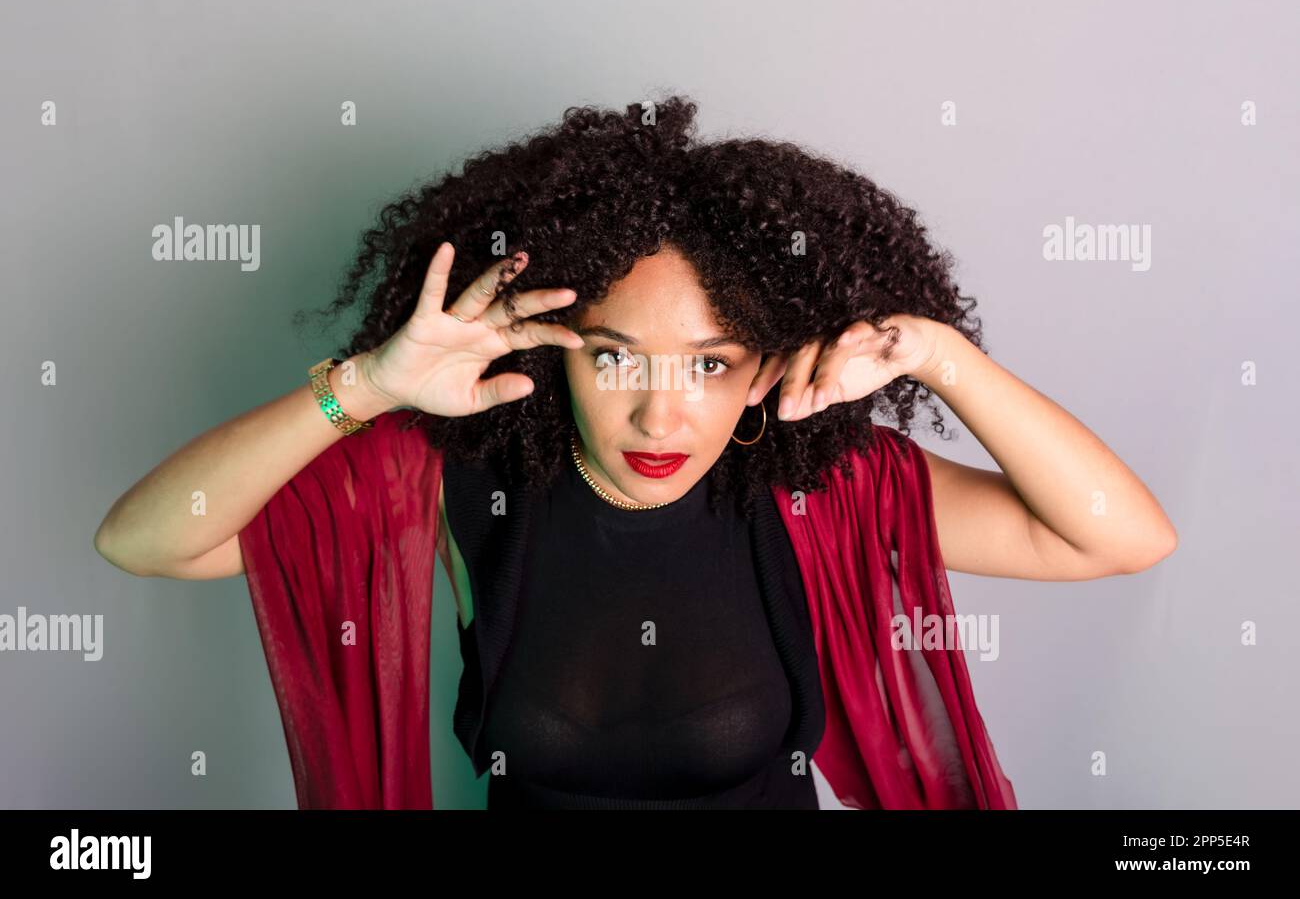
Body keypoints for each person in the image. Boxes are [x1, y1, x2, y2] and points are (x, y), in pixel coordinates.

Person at [94, 96, 1177, 809]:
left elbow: (1120, 539)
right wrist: (367, 389)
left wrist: (936, 356)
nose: (660, 419)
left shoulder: (822, 491)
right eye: (616, 358)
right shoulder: (451, 482)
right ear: (554, 350)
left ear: (767, 369)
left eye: (711, 364)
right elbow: (145, 541)